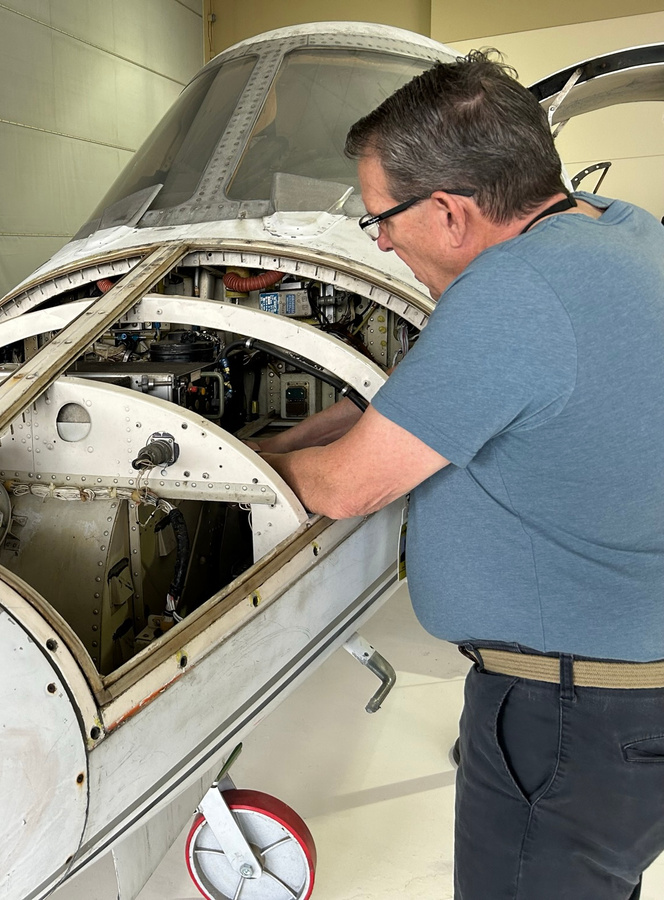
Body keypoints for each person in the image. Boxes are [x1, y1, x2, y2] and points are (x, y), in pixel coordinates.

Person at [259, 52, 664, 899]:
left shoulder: (513, 294)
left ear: (447, 211)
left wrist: (256, 456)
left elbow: (344, 487)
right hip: (633, 693)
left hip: (568, 717)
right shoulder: (621, 228)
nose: (380, 242)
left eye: (381, 219)